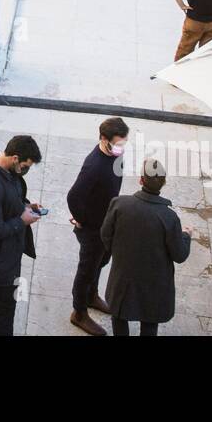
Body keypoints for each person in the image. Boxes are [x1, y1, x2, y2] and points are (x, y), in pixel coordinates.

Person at [100, 158, 192, 336]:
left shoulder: (119, 204)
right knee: (149, 322)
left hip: (124, 278)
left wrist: (120, 253)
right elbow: (180, 255)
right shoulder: (169, 217)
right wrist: (186, 236)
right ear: (163, 183)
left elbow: (105, 235)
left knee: (119, 316)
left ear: (141, 180)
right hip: (154, 283)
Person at [0, 135, 43, 336]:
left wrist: (27, 206)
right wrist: (22, 221)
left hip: (7, 255)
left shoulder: (7, 173)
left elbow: (10, 200)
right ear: (14, 158)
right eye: (24, 166)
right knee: (4, 312)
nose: (25, 170)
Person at [66, 117, 129, 335]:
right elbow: (73, 197)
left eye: (124, 143)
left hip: (108, 223)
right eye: (118, 143)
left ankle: (92, 296)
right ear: (104, 139)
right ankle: (79, 313)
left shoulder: (116, 155)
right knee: (87, 269)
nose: (121, 148)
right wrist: (83, 220)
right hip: (93, 229)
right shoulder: (94, 165)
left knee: (101, 262)